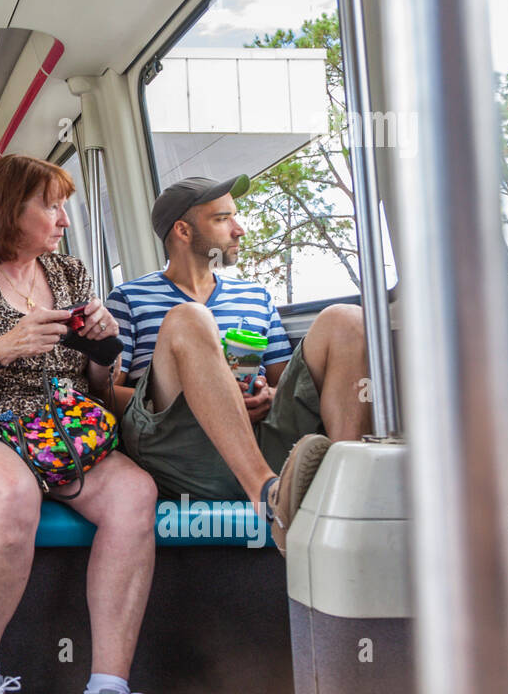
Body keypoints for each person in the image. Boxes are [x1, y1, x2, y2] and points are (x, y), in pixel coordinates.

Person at [0, 154, 158, 694]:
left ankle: (108, 685)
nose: (64, 220)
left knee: (136, 495)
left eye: (64, 206)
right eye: (51, 206)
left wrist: (104, 342)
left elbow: (96, 382)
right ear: (8, 210)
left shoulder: (70, 272)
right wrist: (1, 349)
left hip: (58, 423)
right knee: (10, 494)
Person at [106, 175, 371, 554]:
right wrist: (208, 393)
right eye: (222, 219)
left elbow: (285, 385)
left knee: (347, 319)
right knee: (190, 319)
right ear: (183, 230)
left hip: (259, 435)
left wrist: (266, 395)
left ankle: (348, 495)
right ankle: (267, 496)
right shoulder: (129, 298)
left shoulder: (256, 297)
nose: (239, 230)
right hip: (178, 449)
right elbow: (107, 395)